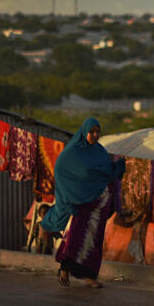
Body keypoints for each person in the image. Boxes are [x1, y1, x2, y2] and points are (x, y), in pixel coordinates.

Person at [40, 118, 125, 288]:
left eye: (97, 132)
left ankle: (90, 276)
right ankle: (64, 270)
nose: (95, 135)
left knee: (94, 243)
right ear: (84, 132)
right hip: (82, 206)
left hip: (99, 208)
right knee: (76, 239)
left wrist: (118, 166)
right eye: (92, 132)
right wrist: (70, 196)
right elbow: (61, 172)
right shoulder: (72, 153)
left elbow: (106, 172)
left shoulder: (100, 152)